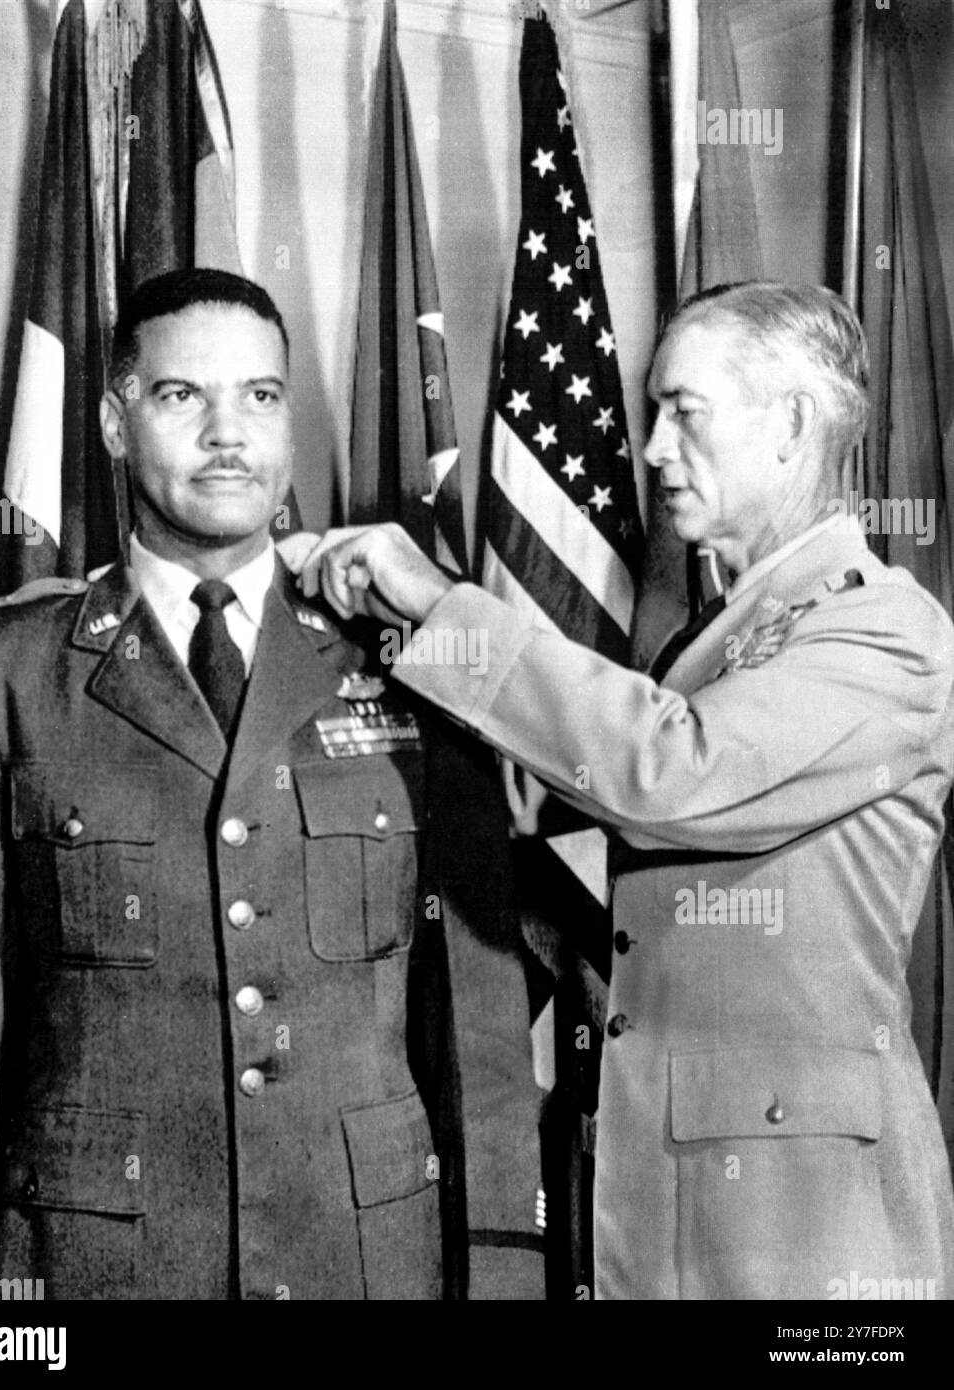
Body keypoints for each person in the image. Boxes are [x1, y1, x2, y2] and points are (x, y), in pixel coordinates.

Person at [299, 282, 954, 1300]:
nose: (649, 448)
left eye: (683, 411)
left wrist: (442, 607)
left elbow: (667, 772)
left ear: (789, 425)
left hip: (805, 1231)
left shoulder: (883, 633)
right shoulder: (714, 640)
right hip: (669, 1192)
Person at [0, 268, 543, 1301]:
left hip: (365, 1252)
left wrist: (502, 1261)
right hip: (95, 1265)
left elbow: (474, 1015)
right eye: (180, 397)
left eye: (259, 396)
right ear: (116, 424)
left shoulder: (412, 659)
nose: (227, 433)